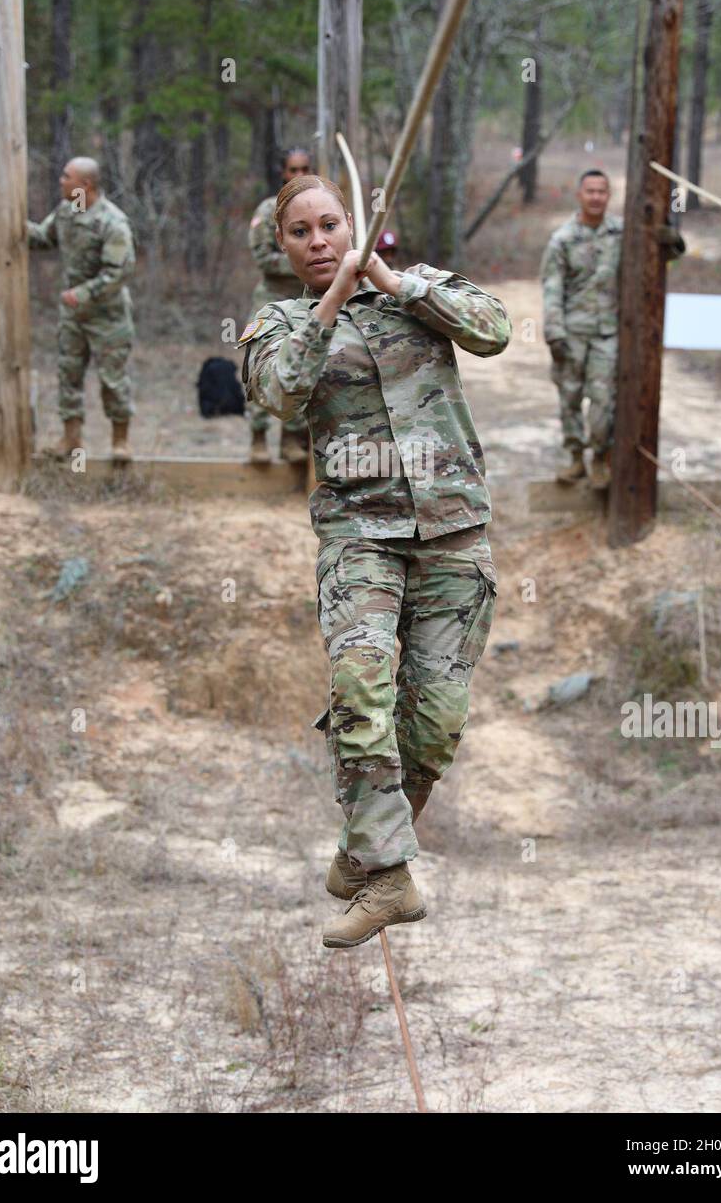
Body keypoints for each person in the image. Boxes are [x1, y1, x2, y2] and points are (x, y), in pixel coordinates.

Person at [239, 175, 511, 950]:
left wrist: (393, 280)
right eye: (301, 232)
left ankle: (361, 846)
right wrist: (333, 305)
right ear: (283, 246)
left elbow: (494, 331)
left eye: (330, 225)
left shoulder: (416, 291)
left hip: (454, 533)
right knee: (362, 687)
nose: (319, 240)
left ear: (355, 225)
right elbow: (280, 391)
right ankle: (389, 878)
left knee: (433, 724)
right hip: (361, 537)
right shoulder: (278, 321)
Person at [540, 169, 684, 489]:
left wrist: (670, 238)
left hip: (608, 334)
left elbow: (660, 253)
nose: (595, 197)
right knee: (570, 398)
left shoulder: (622, 232)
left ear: (609, 196)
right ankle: (575, 458)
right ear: (579, 195)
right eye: (590, 191)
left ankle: (600, 459)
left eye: (602, 191)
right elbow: (551, 287)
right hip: (572, 333)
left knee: (604, 400)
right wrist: (554, 332)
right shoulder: (562, 240)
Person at [27, 156, 136, 461]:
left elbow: (119, 273)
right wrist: (10, 222)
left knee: (113, 380)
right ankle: (71, 441)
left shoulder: (112, 222)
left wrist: (84, 293)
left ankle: (120, 442)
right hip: (74, 315)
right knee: (68, 374)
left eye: (66, 176)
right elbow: (42, 238)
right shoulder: (67, 212)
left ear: (85, 184)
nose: (60, 181)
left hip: (108, 315)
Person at [246, 146, 313, 463]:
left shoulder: (315, 210)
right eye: (293, 170)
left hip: (304, 301)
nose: (298, 176)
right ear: (283, 173)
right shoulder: (268, 210)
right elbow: (264, 259)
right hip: (270, 299)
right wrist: (303, 261)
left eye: (305, 169)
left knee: (299, 367)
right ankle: (258, 438)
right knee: (257, 365)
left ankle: (291, 440)